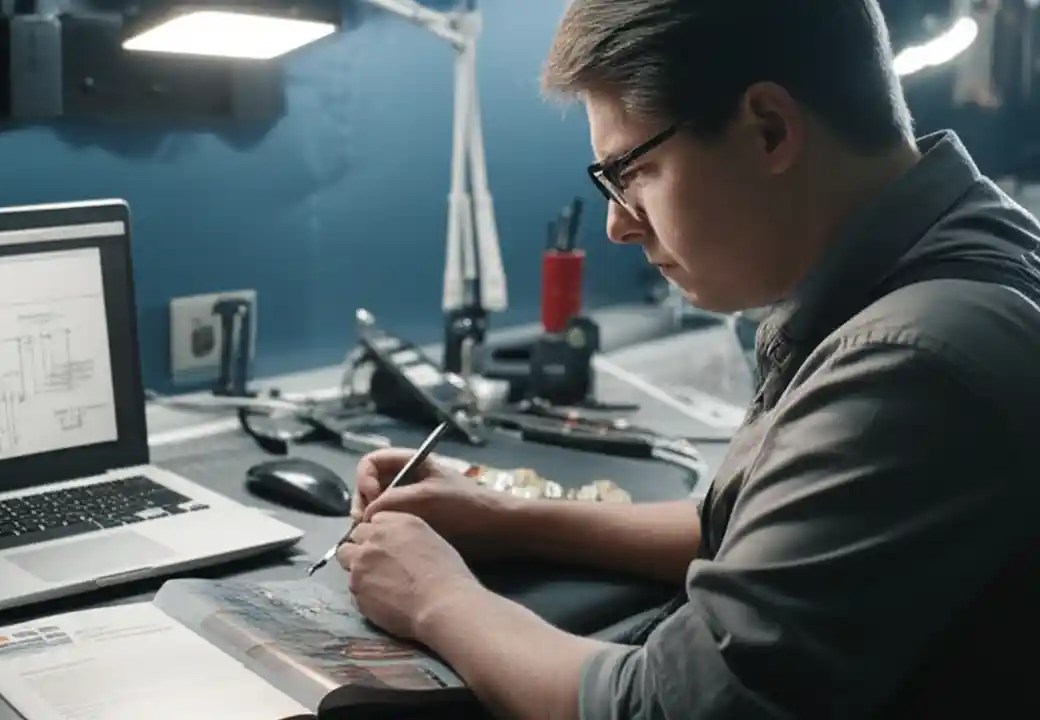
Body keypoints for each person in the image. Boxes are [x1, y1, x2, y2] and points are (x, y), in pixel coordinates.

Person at [334, 1, 1040, 719]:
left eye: (634, 170)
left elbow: (668, 709)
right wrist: (507, 517)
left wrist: (437, 597)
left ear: (768, 129)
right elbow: (753, 527)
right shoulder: (969, 248)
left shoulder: (912, 362)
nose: (617, 224)